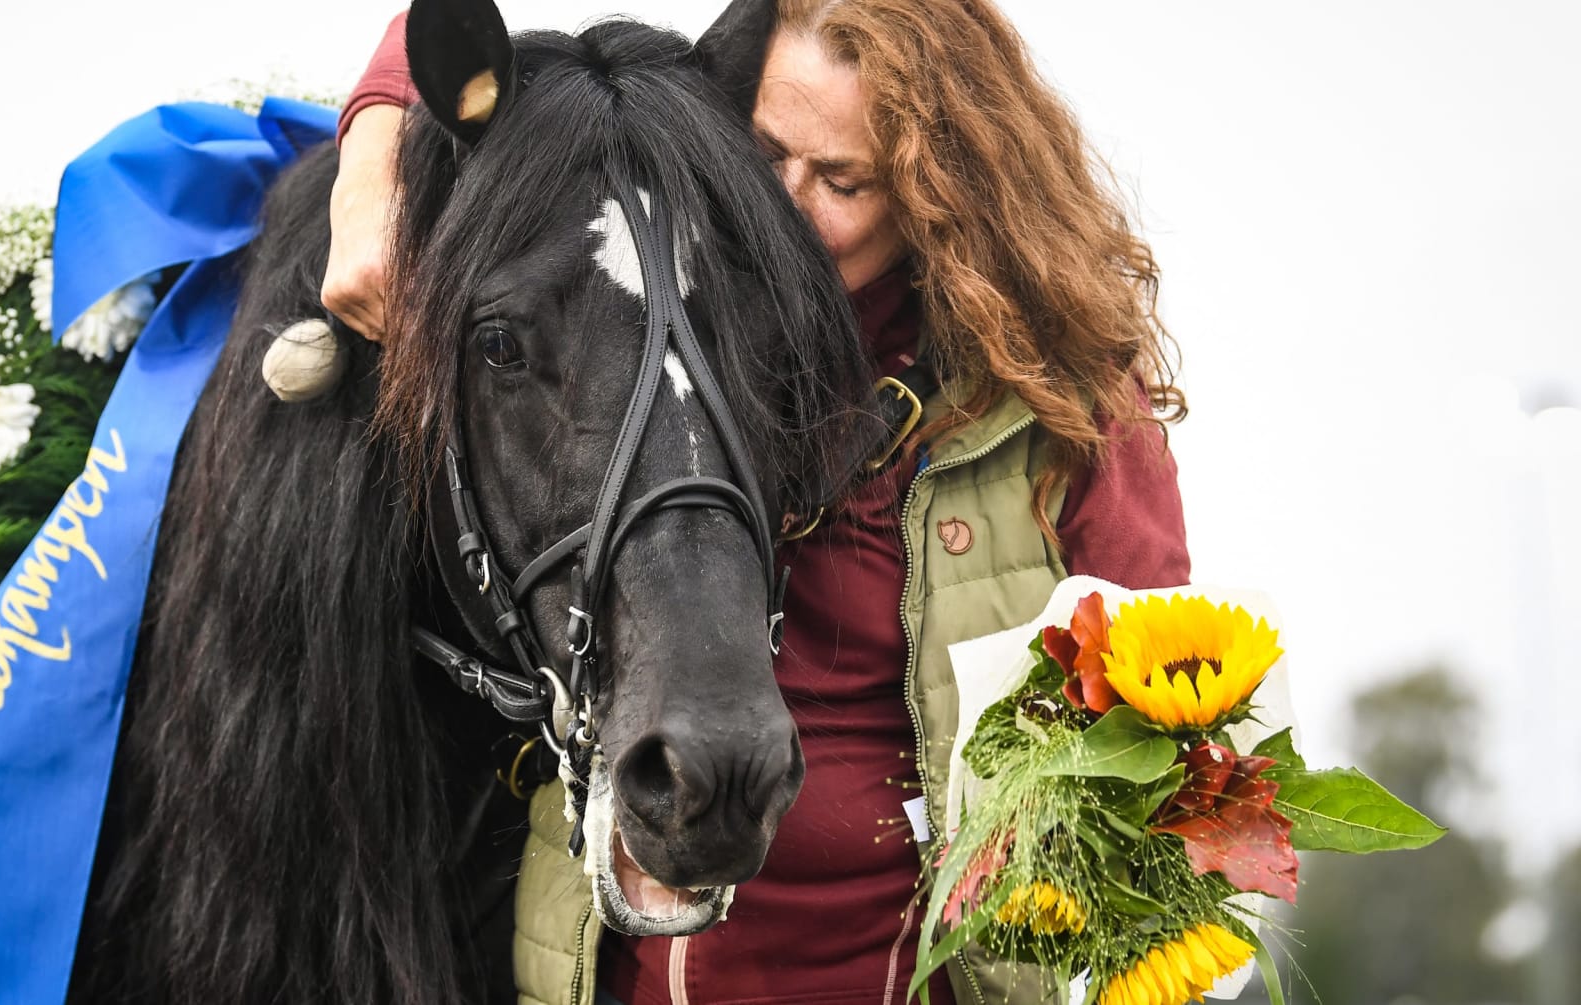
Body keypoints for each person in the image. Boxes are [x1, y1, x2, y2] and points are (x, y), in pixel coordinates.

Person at [324, 2, 1189, 1003]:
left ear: (933, 196)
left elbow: (1165, 731)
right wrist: (368, 171)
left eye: (842, 180)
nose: (782, 201)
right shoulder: (667, 318)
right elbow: (485, 56)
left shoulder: (1064, 404)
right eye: (765, 152)